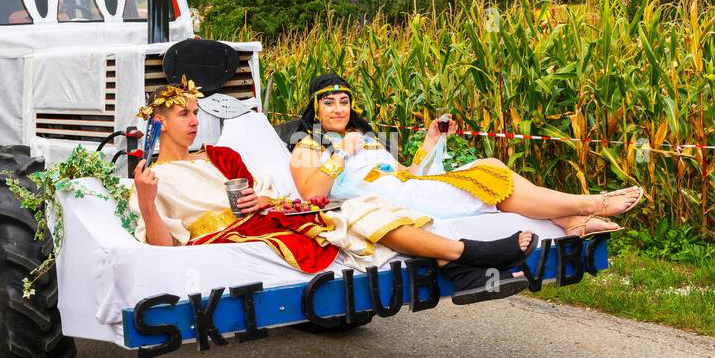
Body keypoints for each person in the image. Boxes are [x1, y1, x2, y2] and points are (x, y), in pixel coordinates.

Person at [129, 79, 539, 304]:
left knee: (365, 210)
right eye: (185, 114)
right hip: (223, 233)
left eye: (197, 113)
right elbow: (164, 249)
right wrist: (147, 202)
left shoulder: (218, 157)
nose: (195, 121)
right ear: (160, 122)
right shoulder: (151, 178)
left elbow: (271, 194)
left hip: (266, 216)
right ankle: (472, 256)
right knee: (358, 212)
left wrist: (266, 200)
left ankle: (462, 269)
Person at [282, 73, 643, 237]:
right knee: (489, 177)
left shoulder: (367, 137)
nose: (338, 109)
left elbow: (408, 171)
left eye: (344, 101)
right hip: (387, 200)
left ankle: (570, 222)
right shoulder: (308, 144)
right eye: (329, 102)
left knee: (490, 166)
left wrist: (430, 140)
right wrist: (339, 155)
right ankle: (588, 204)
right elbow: (311, 193)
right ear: (316, 107)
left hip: (406, 187)